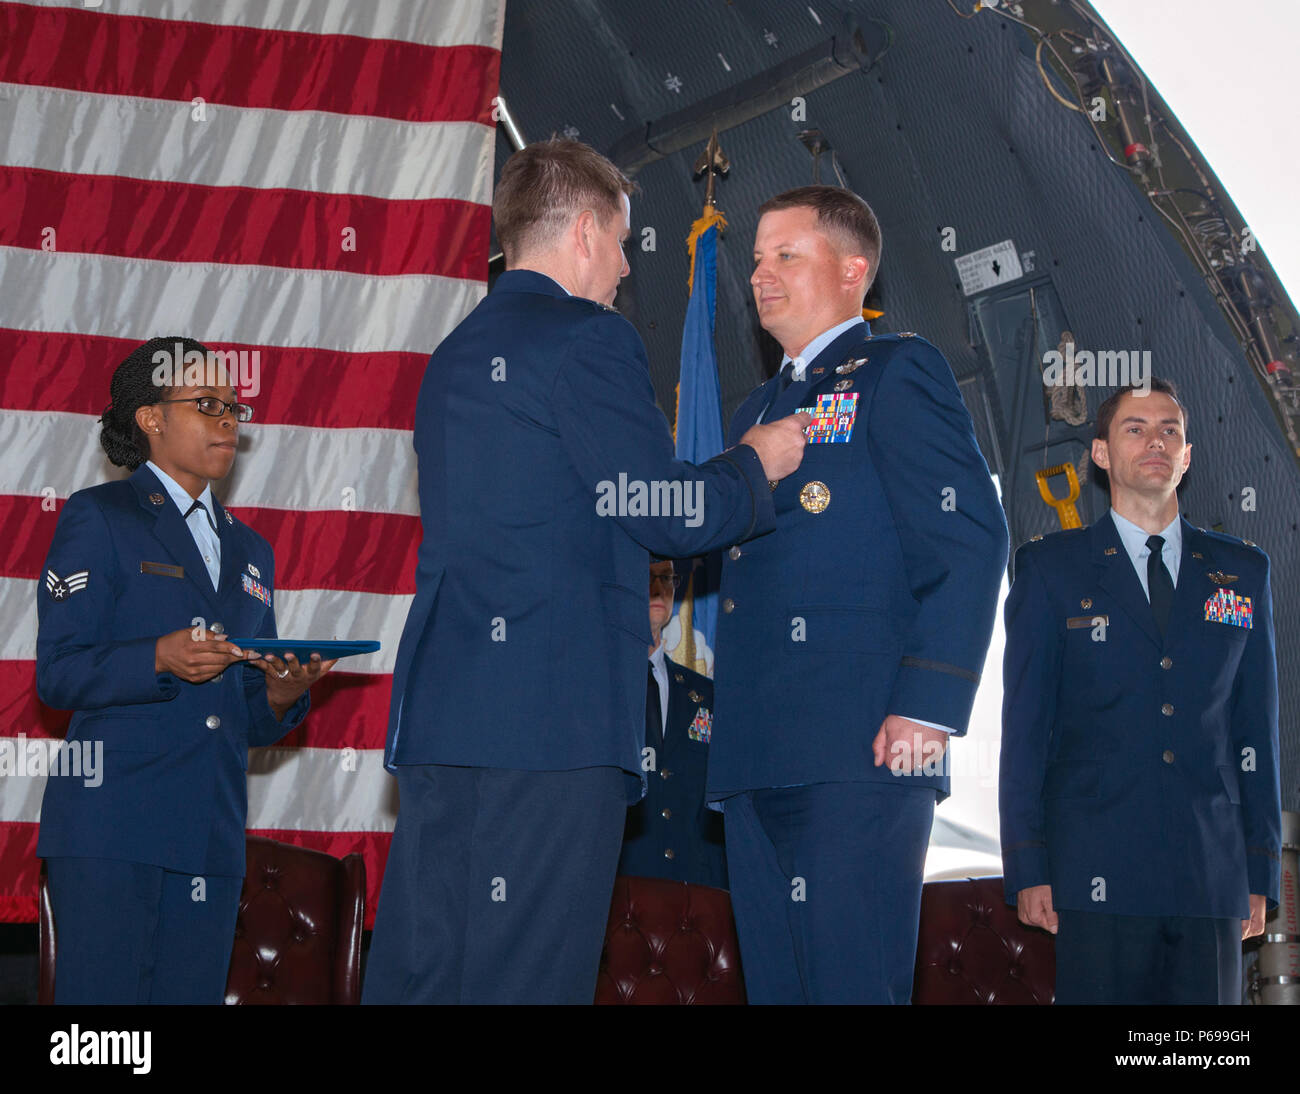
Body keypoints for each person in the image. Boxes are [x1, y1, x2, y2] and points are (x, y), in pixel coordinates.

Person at [363, 139, 810, 1005]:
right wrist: (752, 462)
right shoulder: (589, 338)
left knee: (426, 976)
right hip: (553, 725)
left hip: (447, 720)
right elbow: (661, 511)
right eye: (621, 246)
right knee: (525, 978)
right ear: (582, 233)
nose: (621, 273)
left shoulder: (455, 353)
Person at [706, 185, 1009, 1004]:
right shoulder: (755, 409)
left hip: (864, 749)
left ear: (852, 270)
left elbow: (969, 541)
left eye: (785, 255)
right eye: (758, 258)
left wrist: (928, 712)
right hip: (755, 755)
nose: (759, 274)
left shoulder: (896, 370)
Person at [36, 337, 332, 1004]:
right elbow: (57, 673)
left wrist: (282, 695)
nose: (228, 420)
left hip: (210, 834)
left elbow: (244, 711)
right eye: (207, 405)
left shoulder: (252, 552)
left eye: (235, 407)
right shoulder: (97, 518)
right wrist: (157, 657)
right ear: (150, 417)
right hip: (114, 827)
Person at [1000, 379, 1280, 1004]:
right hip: (1094, 868)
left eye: (1170, 431)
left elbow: (1254, 732)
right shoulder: (1050, 570)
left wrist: (1259, 870)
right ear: (1100, 453)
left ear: (1187, 456)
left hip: (1210, 875)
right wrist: (1027, 862)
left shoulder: (1242, 571)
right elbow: (1025, 731)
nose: (1155, 441)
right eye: (1135, 428)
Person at [617, 557, 727, 889]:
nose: (657, 589)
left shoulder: (706, 695)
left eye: (666, 578)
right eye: (646, 576)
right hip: (618, 885)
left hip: (696, 888)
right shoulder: (602, 687)